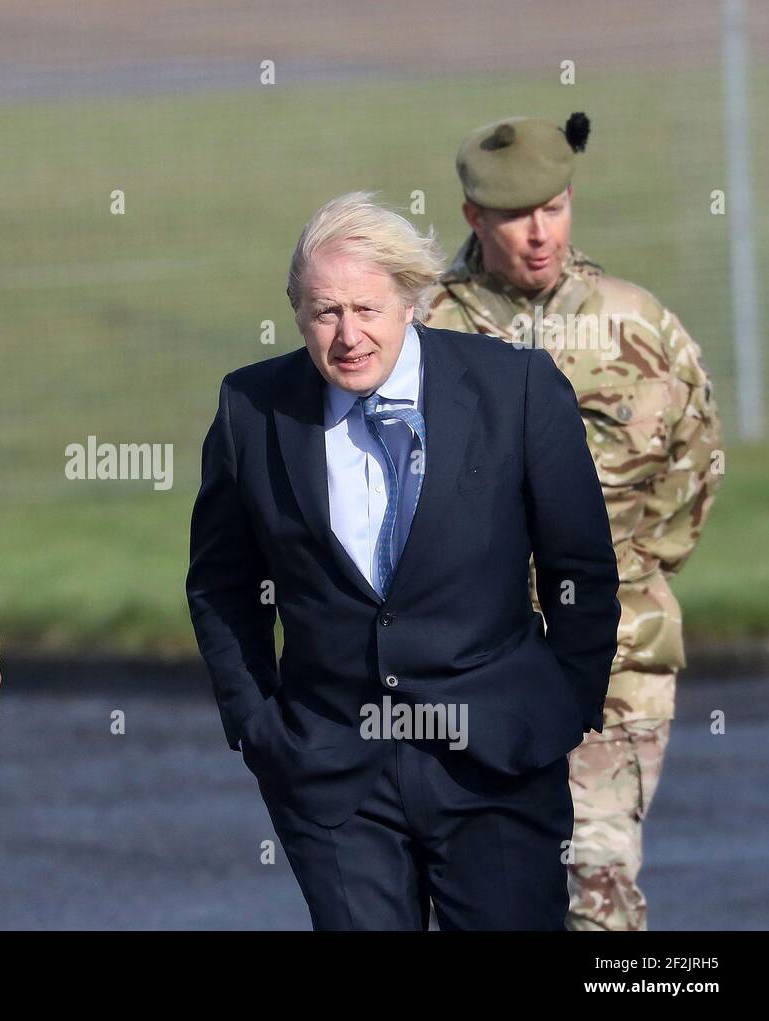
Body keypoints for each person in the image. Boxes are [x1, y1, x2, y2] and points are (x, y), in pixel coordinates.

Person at [186, 192, 619, 930]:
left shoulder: (514, 388)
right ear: (296, 312)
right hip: (332, 774)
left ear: (411, 301)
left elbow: (579, 567)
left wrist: (562, 705)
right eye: (324, 312)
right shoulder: (251, 409)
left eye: (366, 308)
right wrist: (259, 724)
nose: (348, 335)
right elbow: (223, 584)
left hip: (497, 764)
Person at [423, 114, 724, 930]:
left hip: (615, 658)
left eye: (555, 208)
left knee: (599, 881)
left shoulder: (639, 325)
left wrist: (620, 572)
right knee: (481, 896)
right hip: (468, 669)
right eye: (518, 217)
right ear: (474, 219)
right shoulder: (421, 337)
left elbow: (694, 469)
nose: (540, 232)